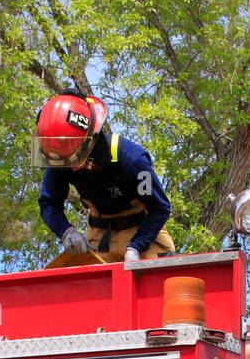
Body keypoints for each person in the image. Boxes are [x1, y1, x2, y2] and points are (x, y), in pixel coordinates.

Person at [36, 91, 174, 263]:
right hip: (100, 237)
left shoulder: (131, 160)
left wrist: (136, 246)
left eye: (75, 157)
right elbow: (49, 203)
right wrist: (66, 231)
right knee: (87, 286)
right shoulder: (61, 155)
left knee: (159, 284)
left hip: (145, 232)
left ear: (90, 141)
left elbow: (159, 208)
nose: (70, 165)